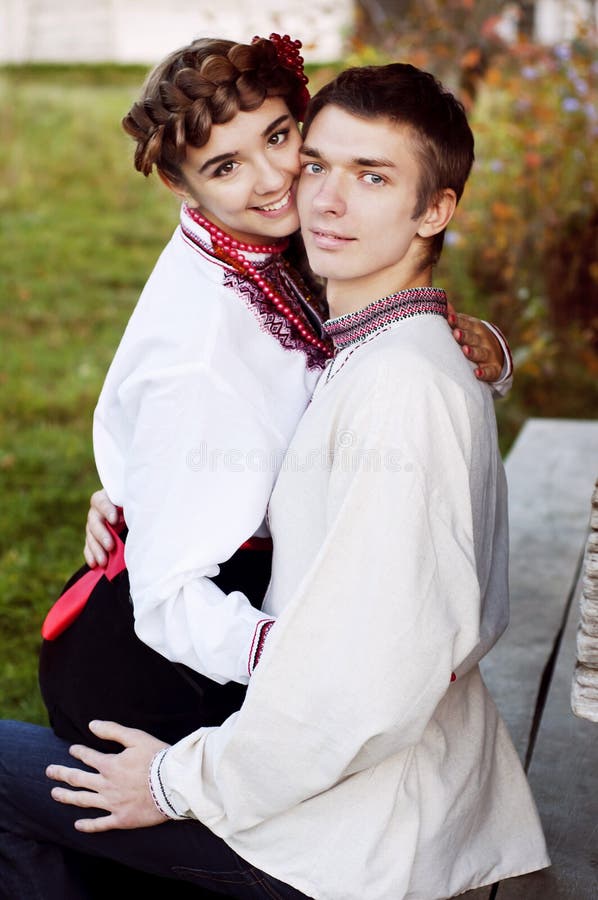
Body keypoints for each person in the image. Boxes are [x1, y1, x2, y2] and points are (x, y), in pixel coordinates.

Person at [0, 60, 548, 900]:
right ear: (187, 192)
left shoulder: (399, 379)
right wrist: (152, 492)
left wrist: (174, 781)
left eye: (366, 174)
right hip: (246, 706)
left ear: (435, 208)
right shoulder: (367, 337)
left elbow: (358, 680)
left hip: (341, 835)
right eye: (320, 165)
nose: (308, 194)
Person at [37, 33, 511, 754]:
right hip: (171, 655)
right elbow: (169, 598)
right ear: (180, 185)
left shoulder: (280, 239)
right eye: (226, 166)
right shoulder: (202, 352)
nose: (274, 180)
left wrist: (482, 348)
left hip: (238, 583)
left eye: (282, 138)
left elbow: (373, 344)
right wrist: (306, 661)